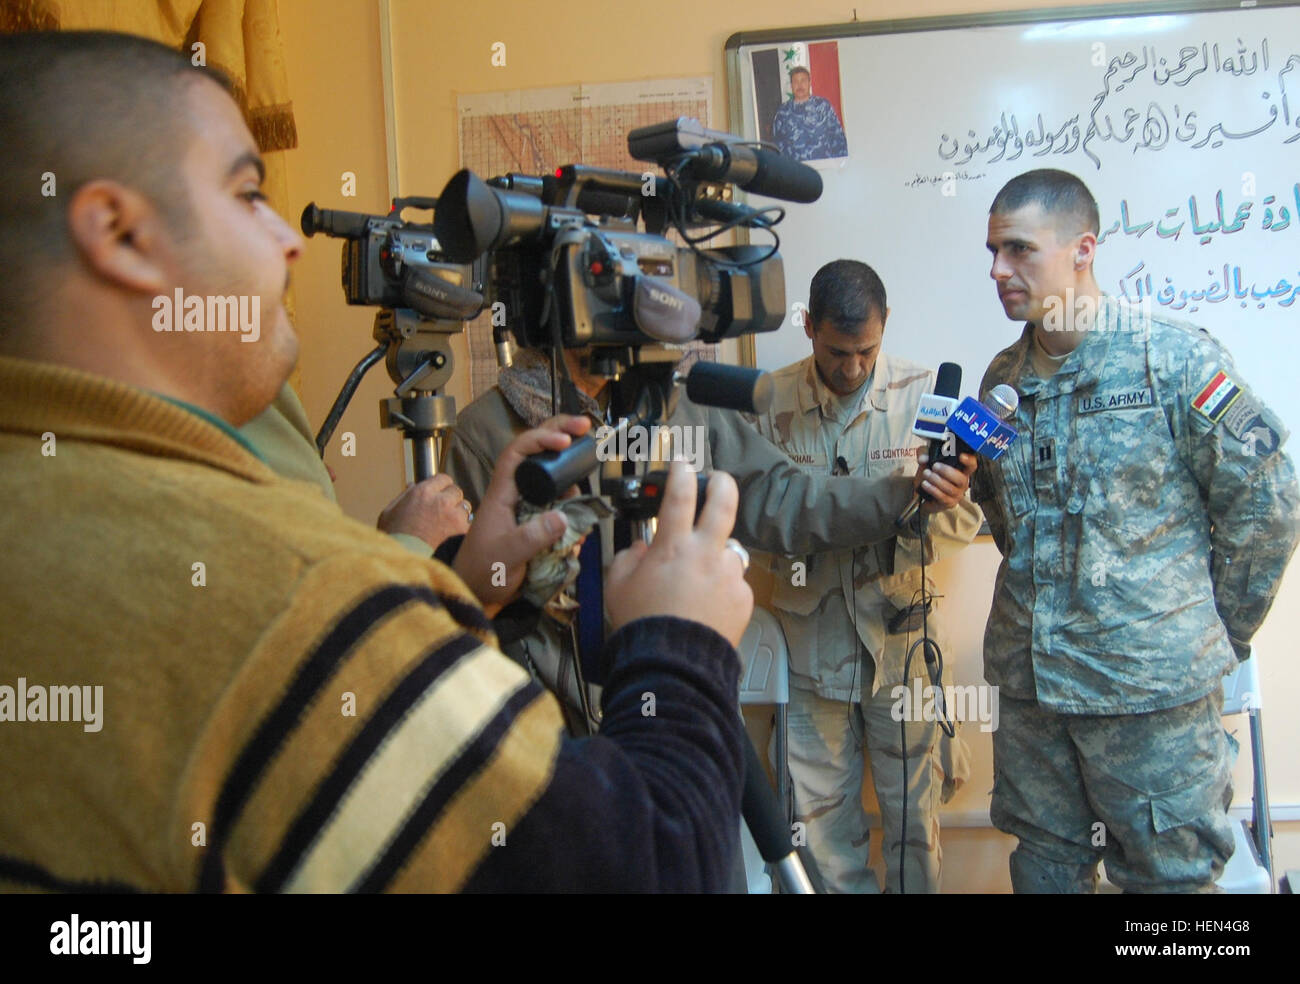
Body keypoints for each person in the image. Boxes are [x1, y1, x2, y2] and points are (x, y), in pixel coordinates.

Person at [0, 29, 759, 893]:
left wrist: (449, 579)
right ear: (119, 232)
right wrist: (682, 644)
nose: (289, 239)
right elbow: (650, 866)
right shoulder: (286, 592)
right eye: (248, 193)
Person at [970, 168, 1300, 893]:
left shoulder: (1175, 361)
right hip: (1035, 691)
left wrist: (1208, 632)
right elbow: (1007, 519)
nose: (999, 270)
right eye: (993, 251)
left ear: (1082, 249)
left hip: (1151, 698)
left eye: (1019, 249)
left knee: (1170, 884)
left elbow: (1269, 501)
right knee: (1045, 866)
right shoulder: (1002, 378)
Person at [442, 344, 977, 737]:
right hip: (545, 721)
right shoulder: (488, 429)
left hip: (678, 698)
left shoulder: (683, 405)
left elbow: (787, 500)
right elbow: (465, 607)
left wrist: (906, 496)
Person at [744, 260, 982, 893]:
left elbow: (970, 528)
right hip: (809, 650)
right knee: (817, 833)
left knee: (914, 825)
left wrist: (944, 506)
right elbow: (751, 524)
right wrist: (815, 524)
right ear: (809, 328)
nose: (851, 368)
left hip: (904, 644)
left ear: (886, 329)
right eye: (836, 352)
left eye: (866, 352)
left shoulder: (929, 398)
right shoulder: (766, 404)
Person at [771, 66, 848, 162]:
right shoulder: (783, 112)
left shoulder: (823, 106)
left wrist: (842, 164)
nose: (799, 85)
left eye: (803, 80)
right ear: (791, 85)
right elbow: (777, 145)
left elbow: (837, 137)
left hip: (824, 167)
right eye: (796, 81)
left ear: (809, 83)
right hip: (796, 170)